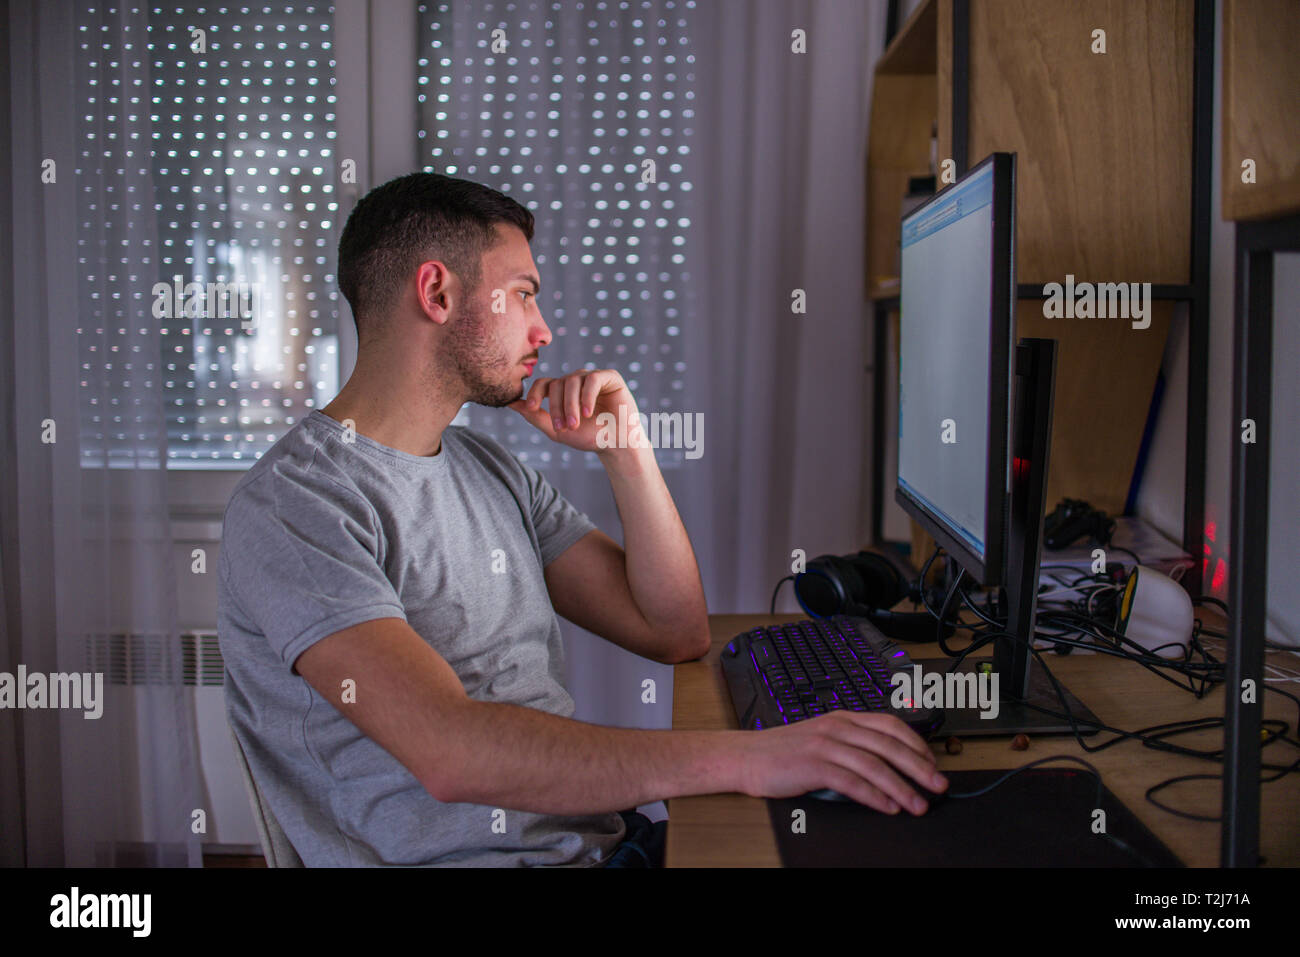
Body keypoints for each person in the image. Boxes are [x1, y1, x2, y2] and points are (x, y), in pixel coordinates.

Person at [217, 172, 947, 867]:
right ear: (437, 291)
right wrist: (753, 757)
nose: (544, 329)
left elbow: (675, 631)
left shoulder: (488, 469)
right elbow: (452, 752)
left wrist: (626, 452)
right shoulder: (296, 504)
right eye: (523, 294)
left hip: (602, 843)